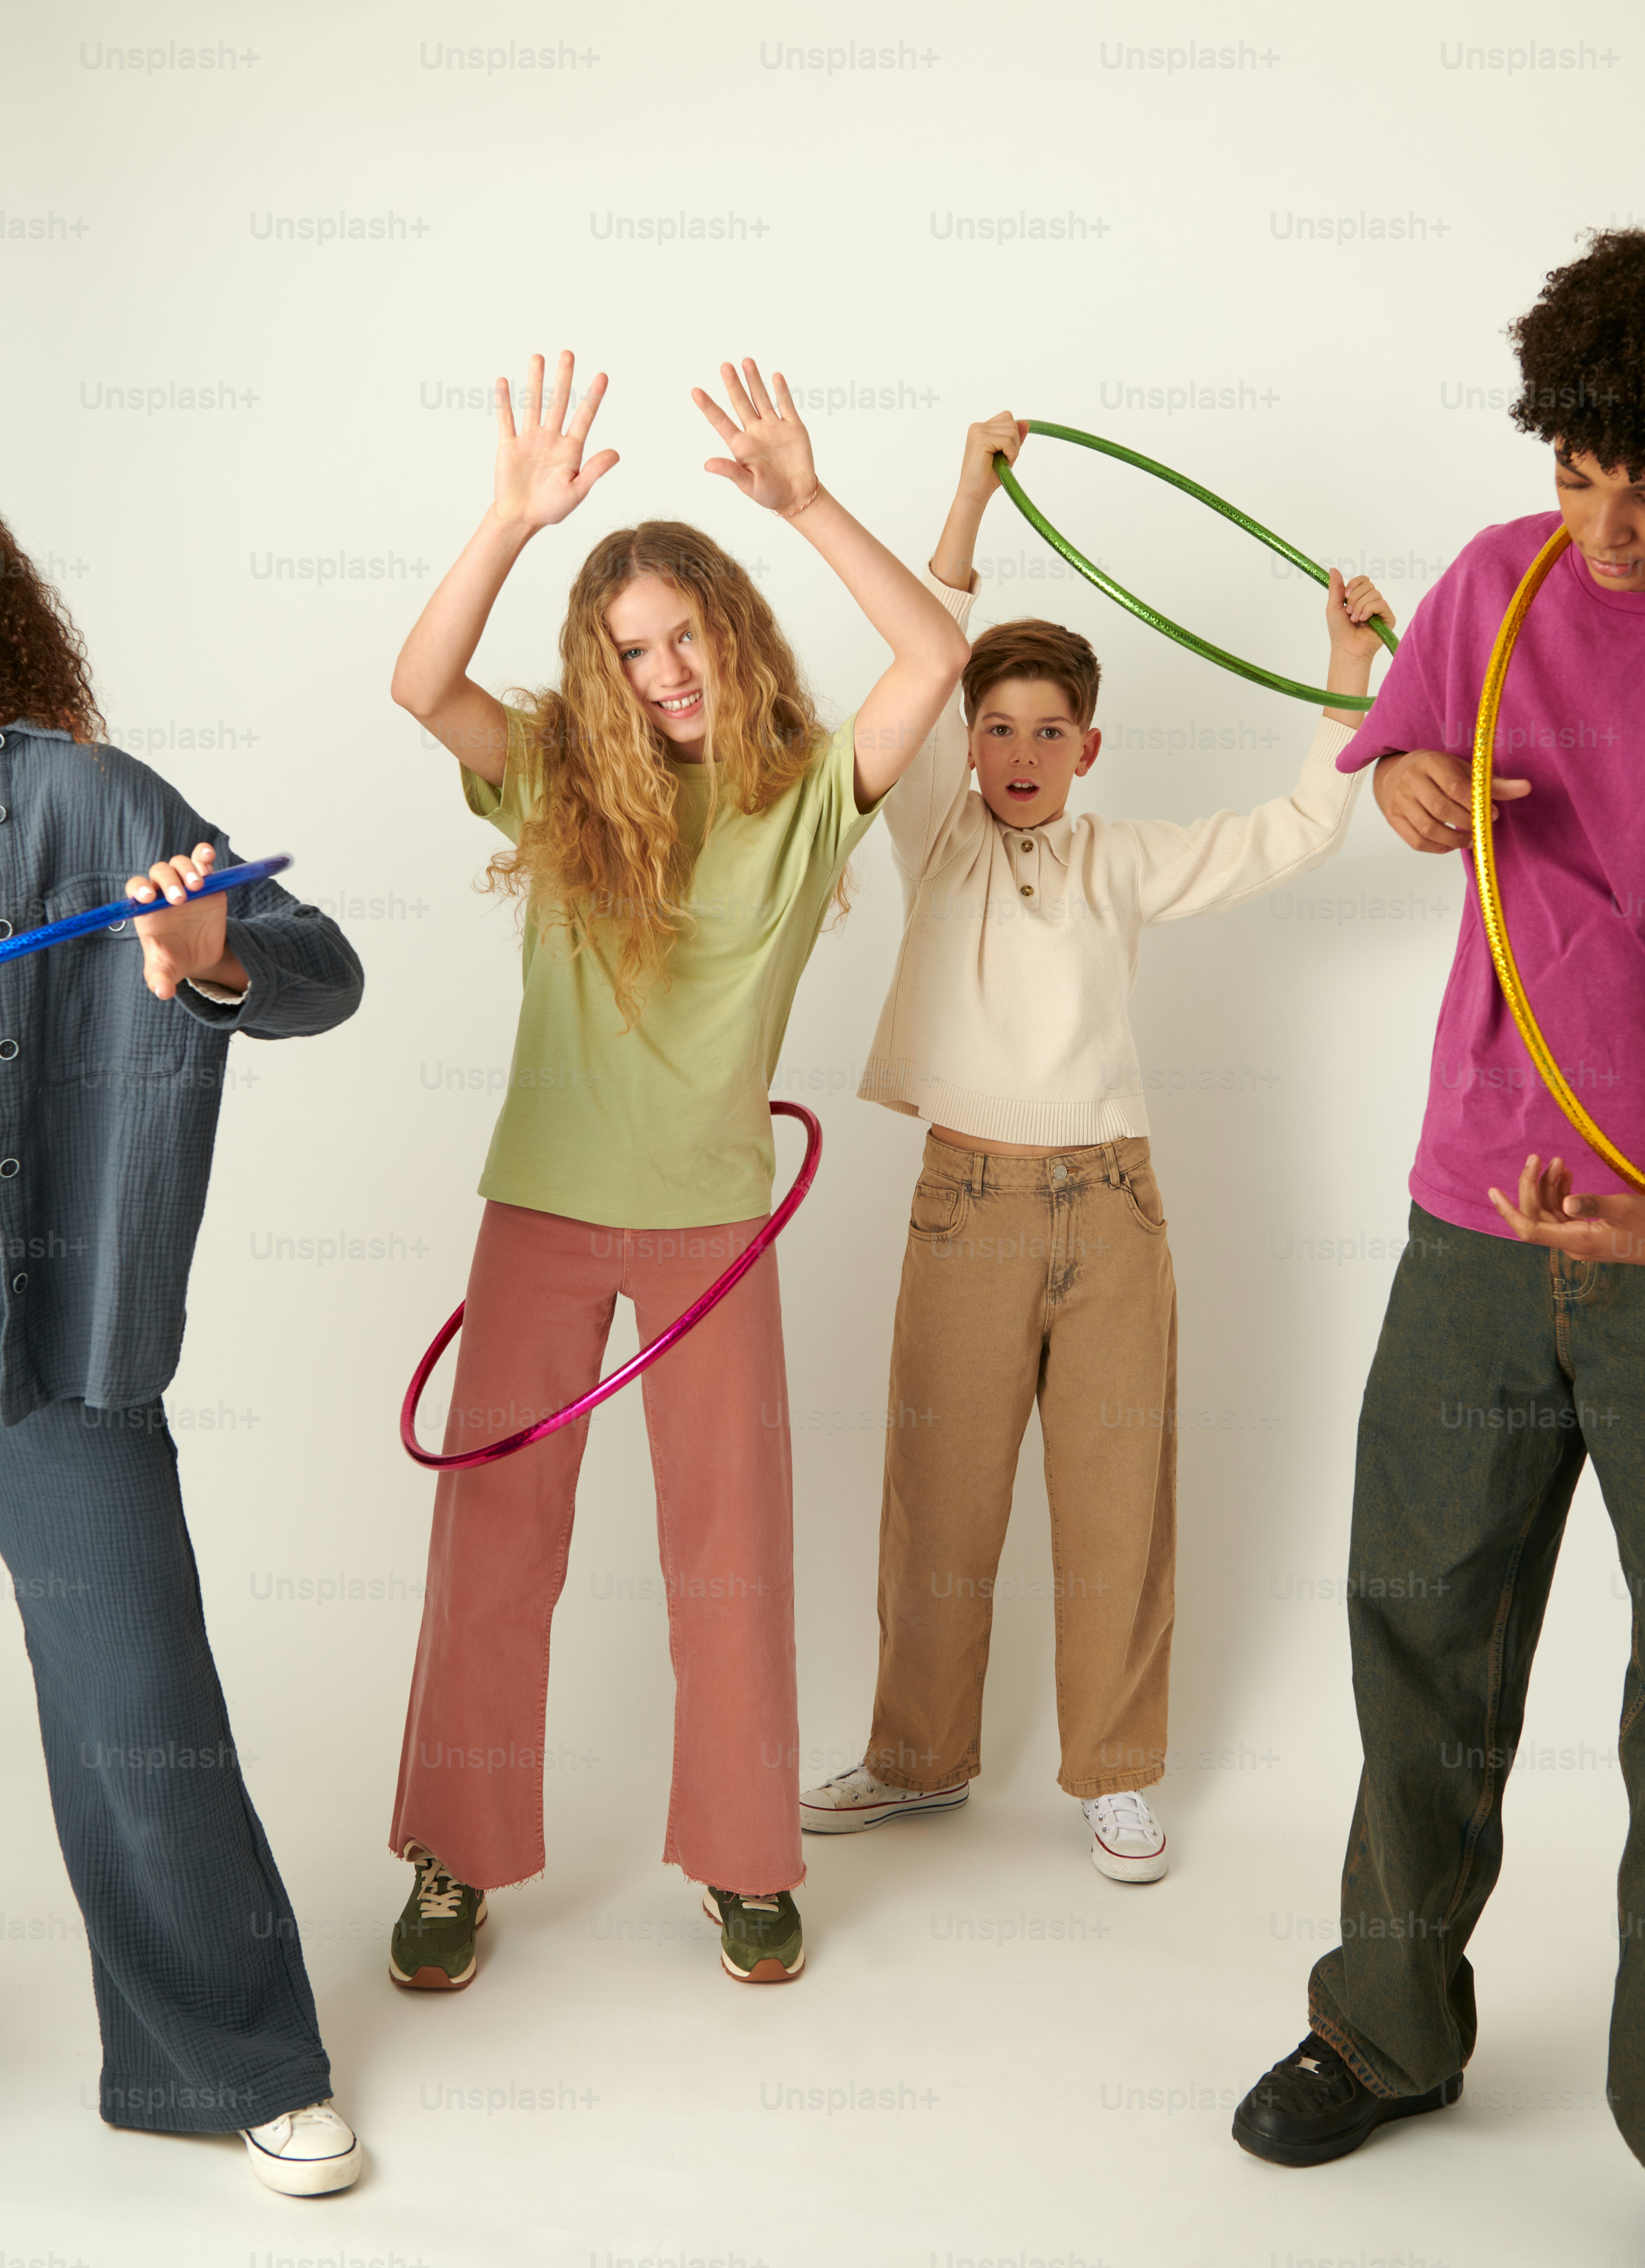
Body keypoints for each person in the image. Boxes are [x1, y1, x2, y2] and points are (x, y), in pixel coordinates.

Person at [385, 350, 969, 1988]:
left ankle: (741, 1856)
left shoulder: (804, 799)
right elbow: (420, 685)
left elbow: (935, 653)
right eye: (629, 652)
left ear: (729, 624)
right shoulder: (563, 774)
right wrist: (508, 521)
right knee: (497, 1535)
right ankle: (457, 1853)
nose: (659, 674)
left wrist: (807, 500)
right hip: (546, 1208)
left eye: (680, 637)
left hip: (714, 1221)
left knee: (727, 1545)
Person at [798, 414, 1389, 1881]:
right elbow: (927, 657)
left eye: (1045, 729)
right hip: (967, 1202)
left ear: (1088, 745)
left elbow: (1297, 831)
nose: (1014, 751)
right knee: (941, 1489)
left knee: (1120, 1494)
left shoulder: (1122, 856)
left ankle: (1114, 1771)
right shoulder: (932, 824)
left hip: (1115, 1208)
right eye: (997, 727)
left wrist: (1347, 668)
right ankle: (917, 1755)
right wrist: (967, 495)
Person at [1233, 225, 1645, 2171]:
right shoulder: (1502, 577)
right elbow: (1409, 768)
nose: (1609, 526)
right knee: (1417, 1628)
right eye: (1580, 472)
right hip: (1477, 1219)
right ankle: (1388, 2024)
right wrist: (1406, 784)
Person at [0, 518, 365, 2194]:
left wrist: (211, 958)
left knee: (135, 1702)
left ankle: (223, 2051)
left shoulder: (92, 802)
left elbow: (319, 967)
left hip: (57, 1346)